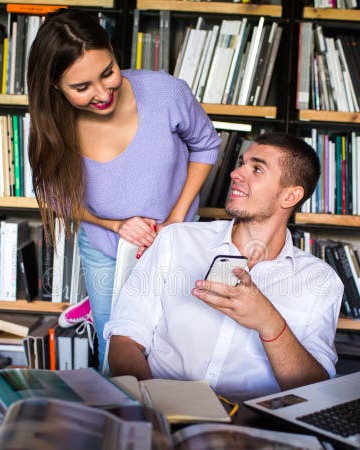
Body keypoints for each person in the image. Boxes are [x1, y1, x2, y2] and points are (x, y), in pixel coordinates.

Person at [26, 9, 221, 364]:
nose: (102, 93)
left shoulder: (165, 92)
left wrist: (177, 219)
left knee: (172, 348)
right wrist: (115, 225)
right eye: (82, 87)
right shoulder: (54, 124)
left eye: (108, 73)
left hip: (173, 240)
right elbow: (55, 195)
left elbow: (206, 145)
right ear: (55, 85)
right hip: (104, 246)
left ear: (114, 53)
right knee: (114, 347)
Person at [105, 132, 344, 400]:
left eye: (256, 169)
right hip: (162, 414)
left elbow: (314, 388)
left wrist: (269, 323)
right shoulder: (175, 240)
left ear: (289, 196)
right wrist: (150, 405)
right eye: (241, 163)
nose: (235, 174)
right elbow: (124, 340)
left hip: (252, 427)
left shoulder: (320, 281)